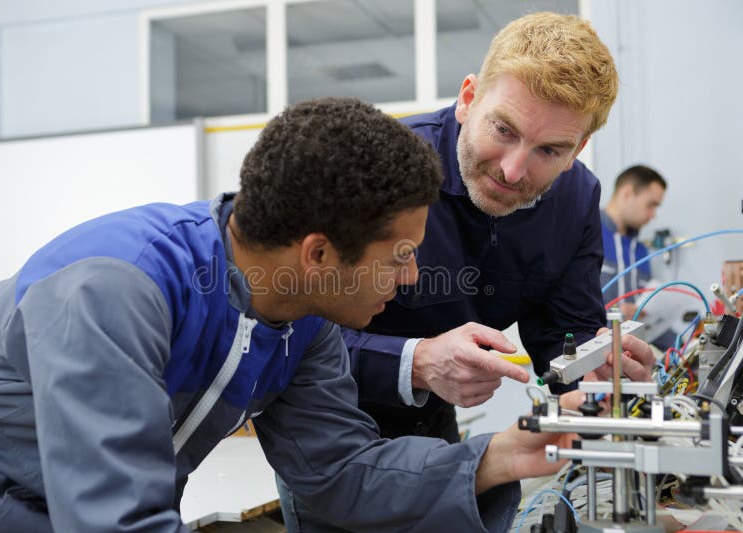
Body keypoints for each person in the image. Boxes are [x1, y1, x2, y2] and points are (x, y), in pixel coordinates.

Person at [0, 97, 579, 533]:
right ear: (319, 253)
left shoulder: (302, 317)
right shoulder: (115, 289)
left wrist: (501, 455)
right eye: (402, 255)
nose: (413, 276)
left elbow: (336, 470)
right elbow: (112, 516)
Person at [277, 12, 657, 532]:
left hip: (437, 432)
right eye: (503, 130)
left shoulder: (575, 200)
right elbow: (287, 331)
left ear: (579, 149)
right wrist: (414, 361)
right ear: (468, 97)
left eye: (550, 150)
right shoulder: (377, 169)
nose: (513, 171)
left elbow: (561, 334)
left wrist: (589, 368)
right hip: (333, 430)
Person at [600, 164, 667, 320]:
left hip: (633, 340)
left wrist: (686, 339)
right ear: (627, 194)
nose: (653, 215)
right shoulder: (586, 234)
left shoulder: (640, 250)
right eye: (651, 205)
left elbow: (644, 318)